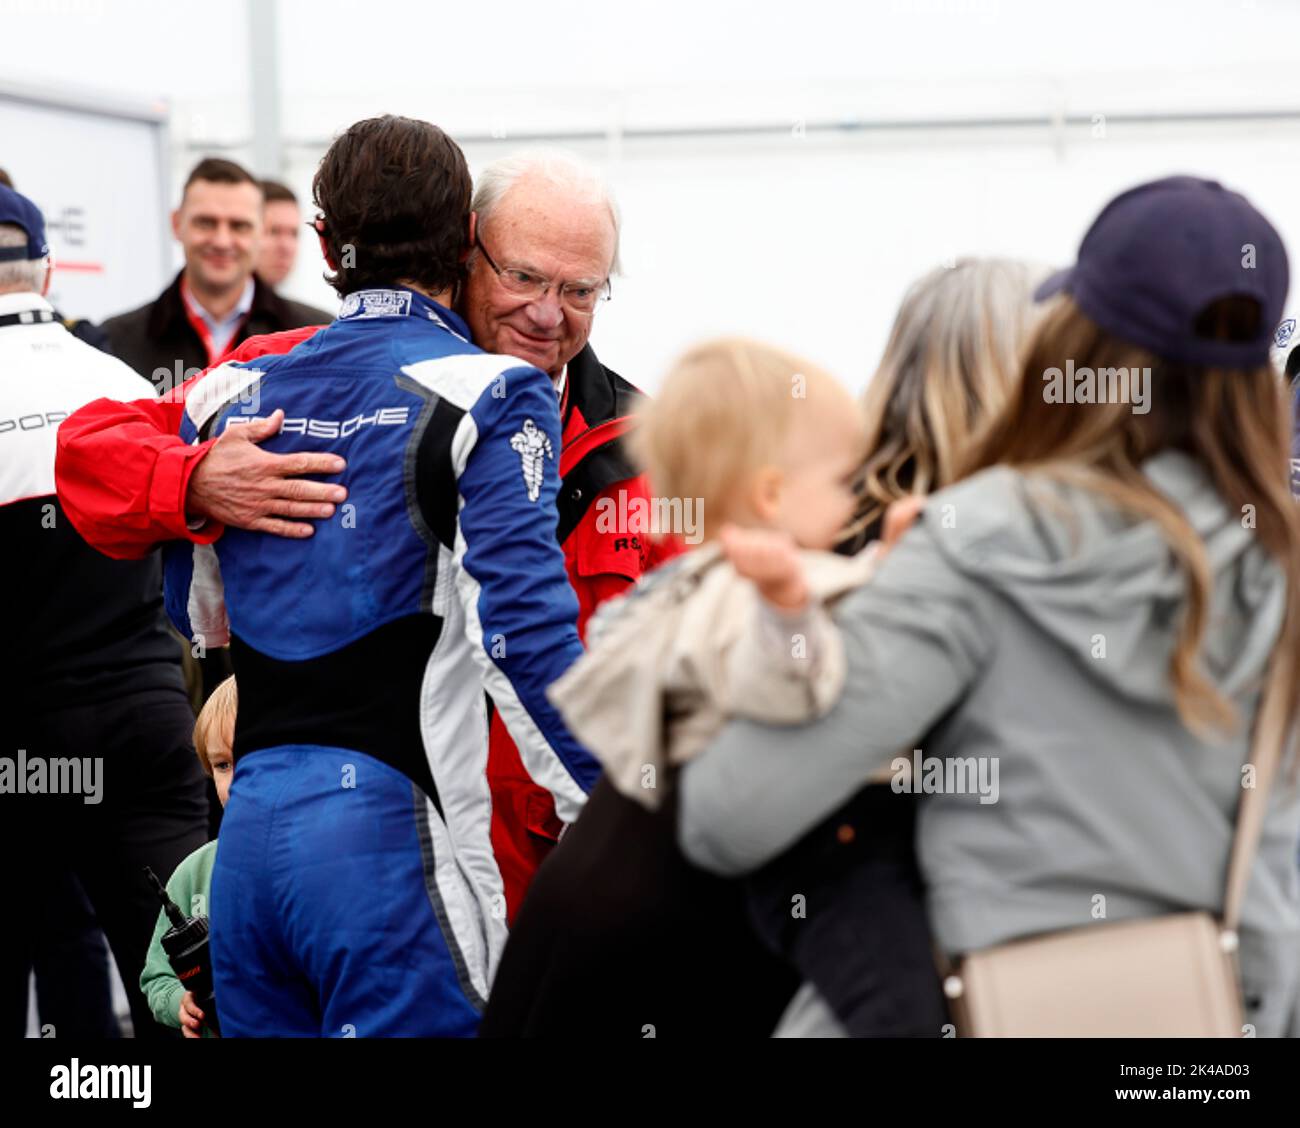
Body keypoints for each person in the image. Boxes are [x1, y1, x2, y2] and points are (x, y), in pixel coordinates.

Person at [679, 175, 1300, 1037]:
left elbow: (726, 818)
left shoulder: (977, 543)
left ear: (1074, 344)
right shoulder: (1281, 572)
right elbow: (1277, 888)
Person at [55, 149, 676, 920]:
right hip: (382, 870)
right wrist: (193, 480)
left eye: (580, 290)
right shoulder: (304, 376)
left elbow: (704, 676)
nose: (549, 313)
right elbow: (88, 452)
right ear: (463, 246)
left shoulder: (650, 449)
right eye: (522, 277)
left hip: (566, 880)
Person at [160, 115, 597, 1037]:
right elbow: (523, 637)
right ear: (467, 243)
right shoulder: (497, 393)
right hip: (395, 848)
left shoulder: (223, 394)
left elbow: (196, 615)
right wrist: (619, 811)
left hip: (248, 855)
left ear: (321, 242)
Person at [0, 184, 209, 1041]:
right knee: (185, 992)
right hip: (142, 725)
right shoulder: (121, 382)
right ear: (48, 268)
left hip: (17, 739)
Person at [102, 157, 327, 391]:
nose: (221, 241)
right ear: (177, 224)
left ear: (260, 232)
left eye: (239, 226)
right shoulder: (115, 342)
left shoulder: (317, 338)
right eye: (206, 223)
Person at [140, 676, 236, 1039]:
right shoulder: (192, 875)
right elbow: (156, 976)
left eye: (249, 758)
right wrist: (180, 1002)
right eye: (223, 765)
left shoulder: (310, 867)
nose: (236, 779)